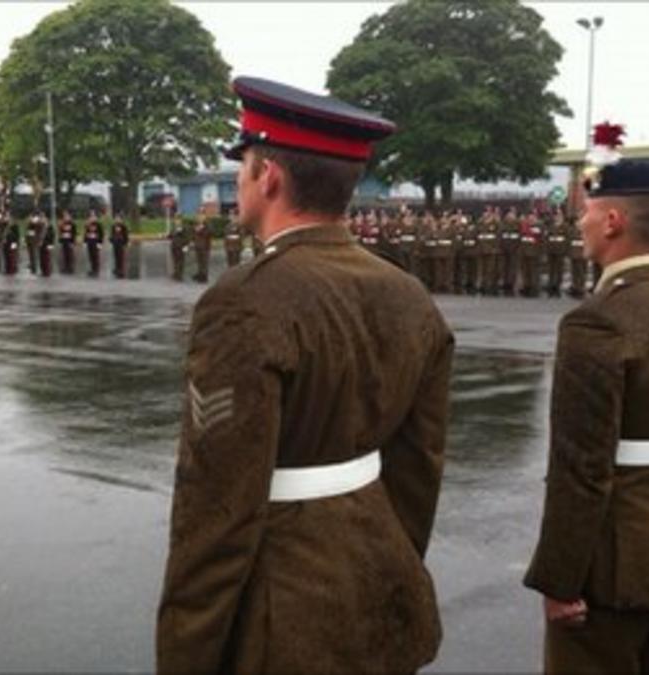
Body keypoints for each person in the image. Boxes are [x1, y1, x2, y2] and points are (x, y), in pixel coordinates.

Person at [156, 76, 453, 674]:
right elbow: (419, 467)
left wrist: (185, 657)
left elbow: (215, 506)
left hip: (286, 610)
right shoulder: (408, 293)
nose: (240, 181)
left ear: (268, 176)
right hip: (381, 575)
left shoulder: (243, 301)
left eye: (243, 166)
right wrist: (392, 561)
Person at [523, 158, 649, 674]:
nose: (580, 223)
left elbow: (581, 467)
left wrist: (560, 578)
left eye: (588, 212)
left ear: (613, 221)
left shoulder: (597, 322)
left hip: (609, 562)